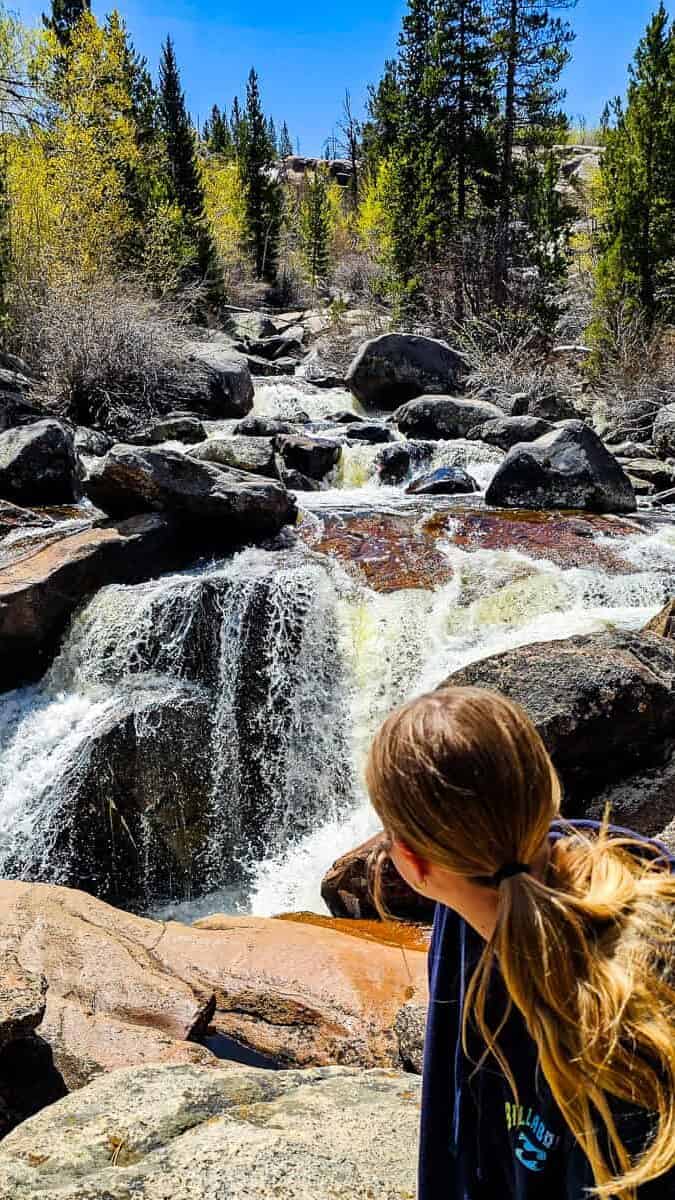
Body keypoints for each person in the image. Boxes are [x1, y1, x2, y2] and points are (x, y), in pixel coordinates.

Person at [365, 685, 675, 1200]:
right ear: (547, 795)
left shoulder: (622, 1031)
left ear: (413, 863)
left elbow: (450, 1120)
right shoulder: (471, 914)